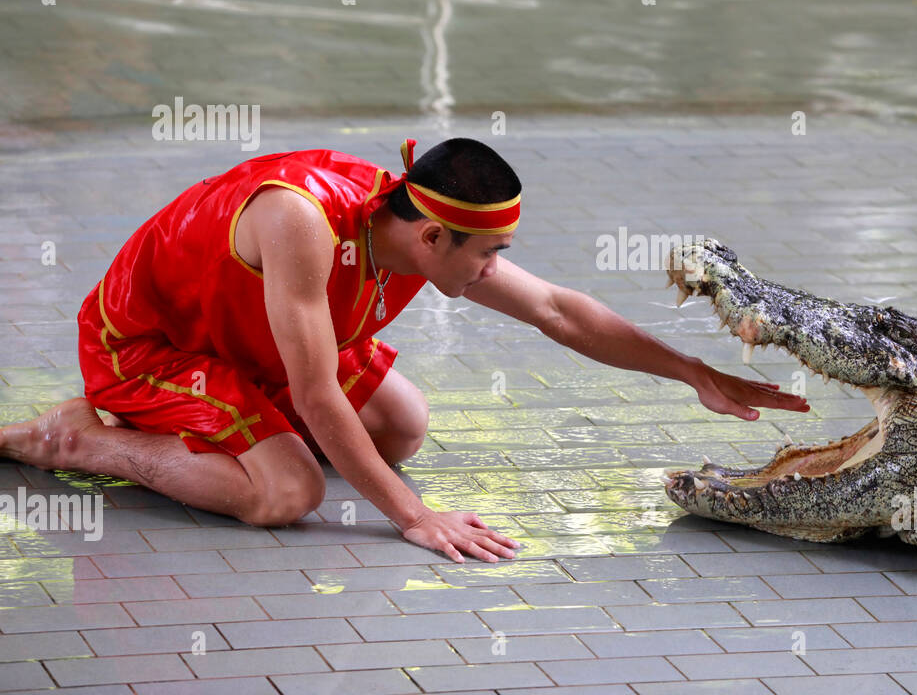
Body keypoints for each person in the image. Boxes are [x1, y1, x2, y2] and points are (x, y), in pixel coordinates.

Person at [0, 137, 808, 562]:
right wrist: (414, 517)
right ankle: (83, 438)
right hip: (153, 344)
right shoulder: (302, 225)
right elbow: (316, 394)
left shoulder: (414, 230)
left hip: (251, 340)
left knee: (401, 424)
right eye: (486, 256)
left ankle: (228, 431)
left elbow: (559, 311)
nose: (496, 272)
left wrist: (693, 371)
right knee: (286, 494)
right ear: (431, 236)